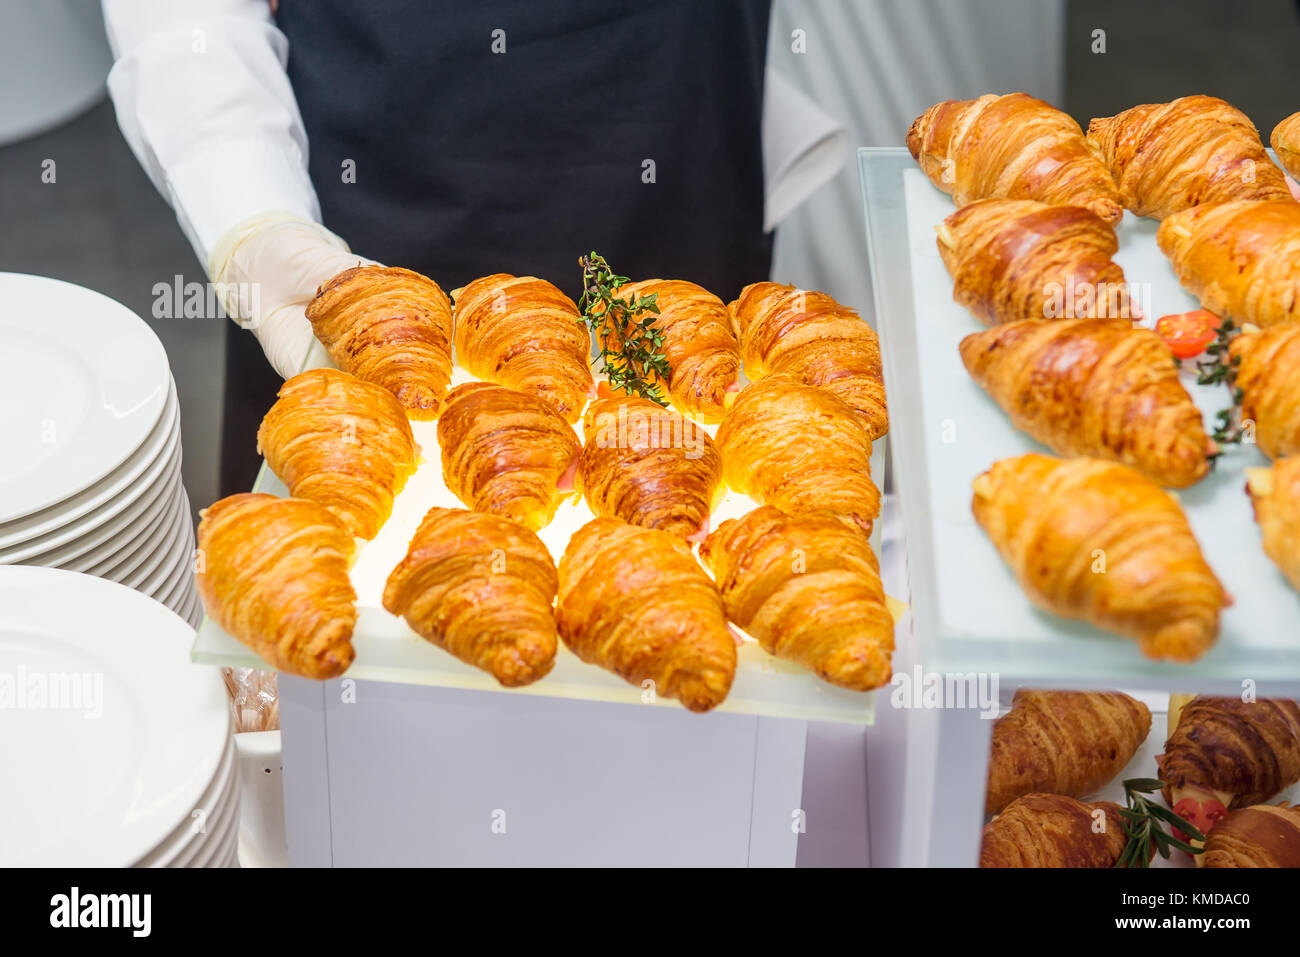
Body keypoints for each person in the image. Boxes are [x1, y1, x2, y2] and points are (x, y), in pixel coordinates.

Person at [102, 0, 813, 494]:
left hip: (680, 157)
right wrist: (252, 215)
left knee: (686, 581)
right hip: (361, 244)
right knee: (331, 653)